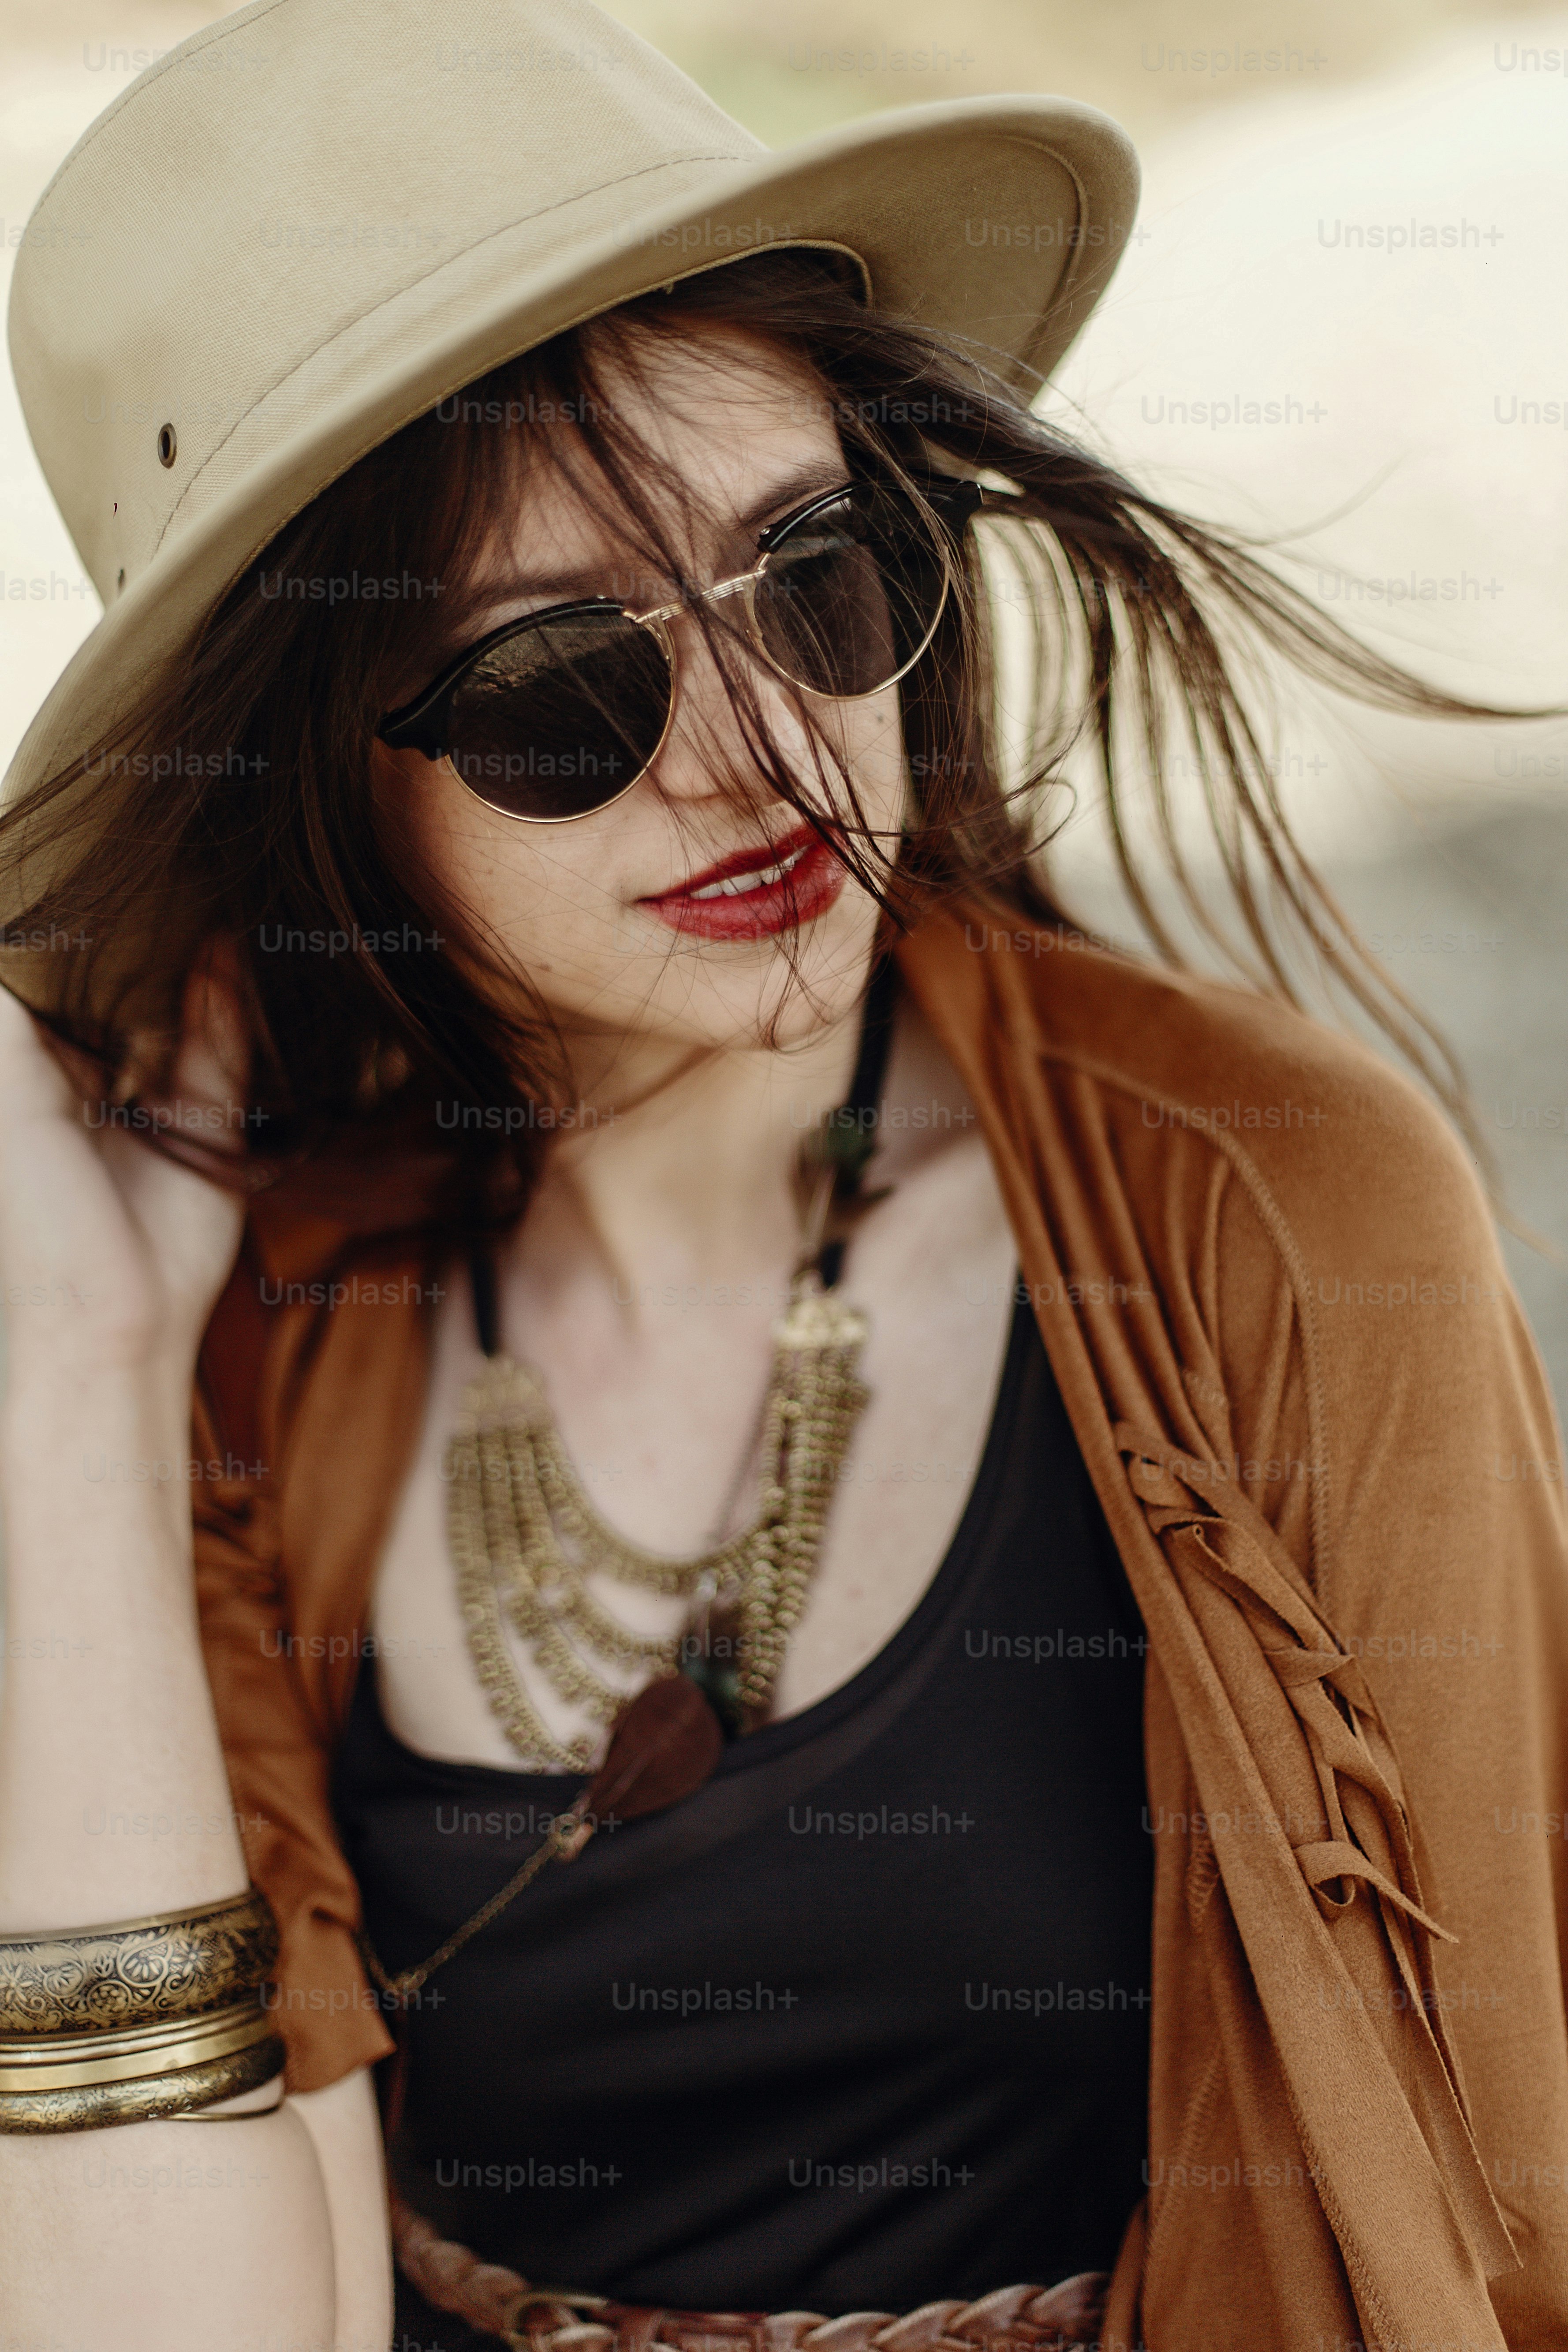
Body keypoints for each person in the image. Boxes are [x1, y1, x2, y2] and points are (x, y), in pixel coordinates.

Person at [1, 4, 1565, 2349]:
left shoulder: (1268, 1211)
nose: (760, 758)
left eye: (810, 573)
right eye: (557, 692)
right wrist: (75, 1381)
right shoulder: (246, 1324)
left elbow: (1489, 2207)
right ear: (328, 776)